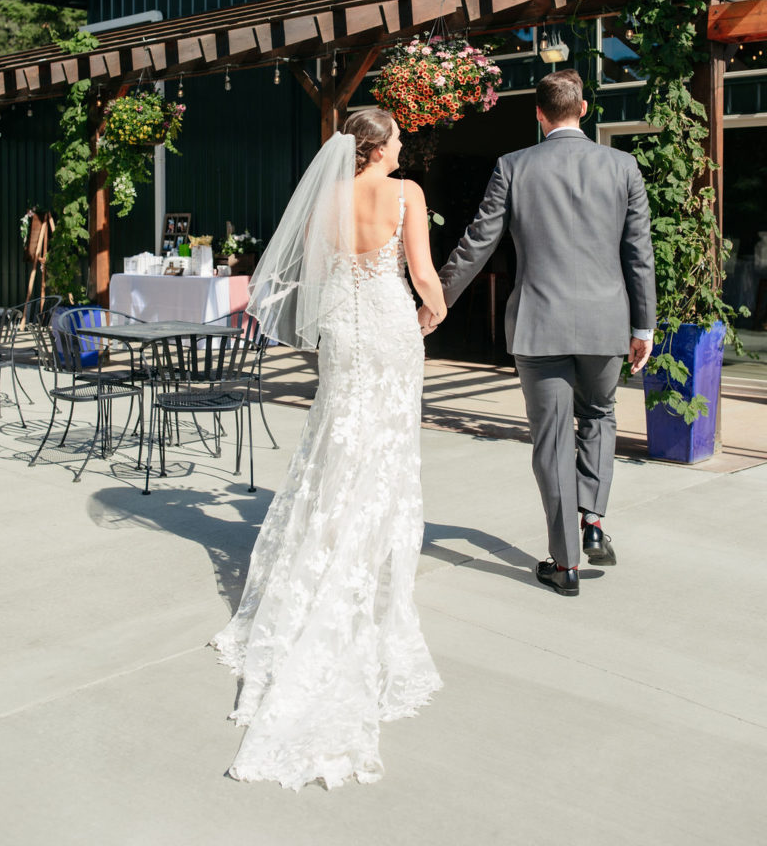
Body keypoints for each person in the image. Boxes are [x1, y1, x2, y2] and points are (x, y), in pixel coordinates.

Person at [212, 107, 446, 789]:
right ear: (378, 147)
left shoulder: (327, 198)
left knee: (339, 437)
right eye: (397, 137)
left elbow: (314, 272)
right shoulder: (406, 194)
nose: (404, 145)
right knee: (386, 444)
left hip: (342, 329)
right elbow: (423, 273)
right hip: (391, 326)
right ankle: (365, 559)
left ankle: (328, 540)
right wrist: (436, 309)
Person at [421, 69, 656, 597]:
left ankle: (565, 565)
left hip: (539, 323)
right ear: (584, 109)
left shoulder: (514, 166)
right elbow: (638, 253)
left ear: (538, 114)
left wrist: (437, 301)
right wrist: (643, 325)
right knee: (599, 415)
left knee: (551, 438)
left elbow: (478, 242)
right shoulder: (622, 166)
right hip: (604, 323)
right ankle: (592, 518)